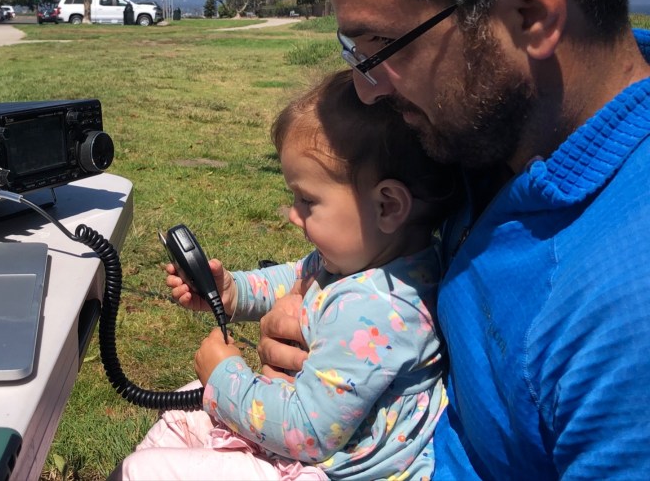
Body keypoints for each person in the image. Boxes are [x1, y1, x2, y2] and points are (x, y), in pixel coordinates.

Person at [256, 0, 650, 478]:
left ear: (530, 13)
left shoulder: (626, 322)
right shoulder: (497, 129)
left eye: (382, 49)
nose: (367, 90)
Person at [115, 70, 461, 480]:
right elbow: (293, 278)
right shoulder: (362, 260)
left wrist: (225, 378)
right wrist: (231, 291)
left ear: (387, 206)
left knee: (145, 471)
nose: (293, 216)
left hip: (326, 470)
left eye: (308, 201)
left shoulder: (378, 311)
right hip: (297, 440)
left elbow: (309, 432)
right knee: (180, 410)